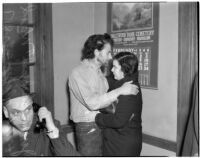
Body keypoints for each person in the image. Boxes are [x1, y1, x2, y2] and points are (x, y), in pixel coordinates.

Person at [68, 33, 139, 156]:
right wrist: (120, 91)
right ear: (97, 52)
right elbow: (93, 103)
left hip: (103, 124)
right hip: (88, 128)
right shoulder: (78, 73)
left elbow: (107, 99)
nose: (110, 57)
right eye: (108, 53)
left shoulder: (100, 74)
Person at [2, 78, 80, 156]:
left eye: (28, 109)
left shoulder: (45, 126)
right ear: (6, 112)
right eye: (16, 112)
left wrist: (52, 130)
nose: (24, 118)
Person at [95, 52, 143, 156]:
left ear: (125, 70)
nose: (112, 70)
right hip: (118, 140)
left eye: (115, 67)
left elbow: (118, 121)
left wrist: (97, 117)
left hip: (122, 145)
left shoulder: (129, 90)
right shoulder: (123, 85)